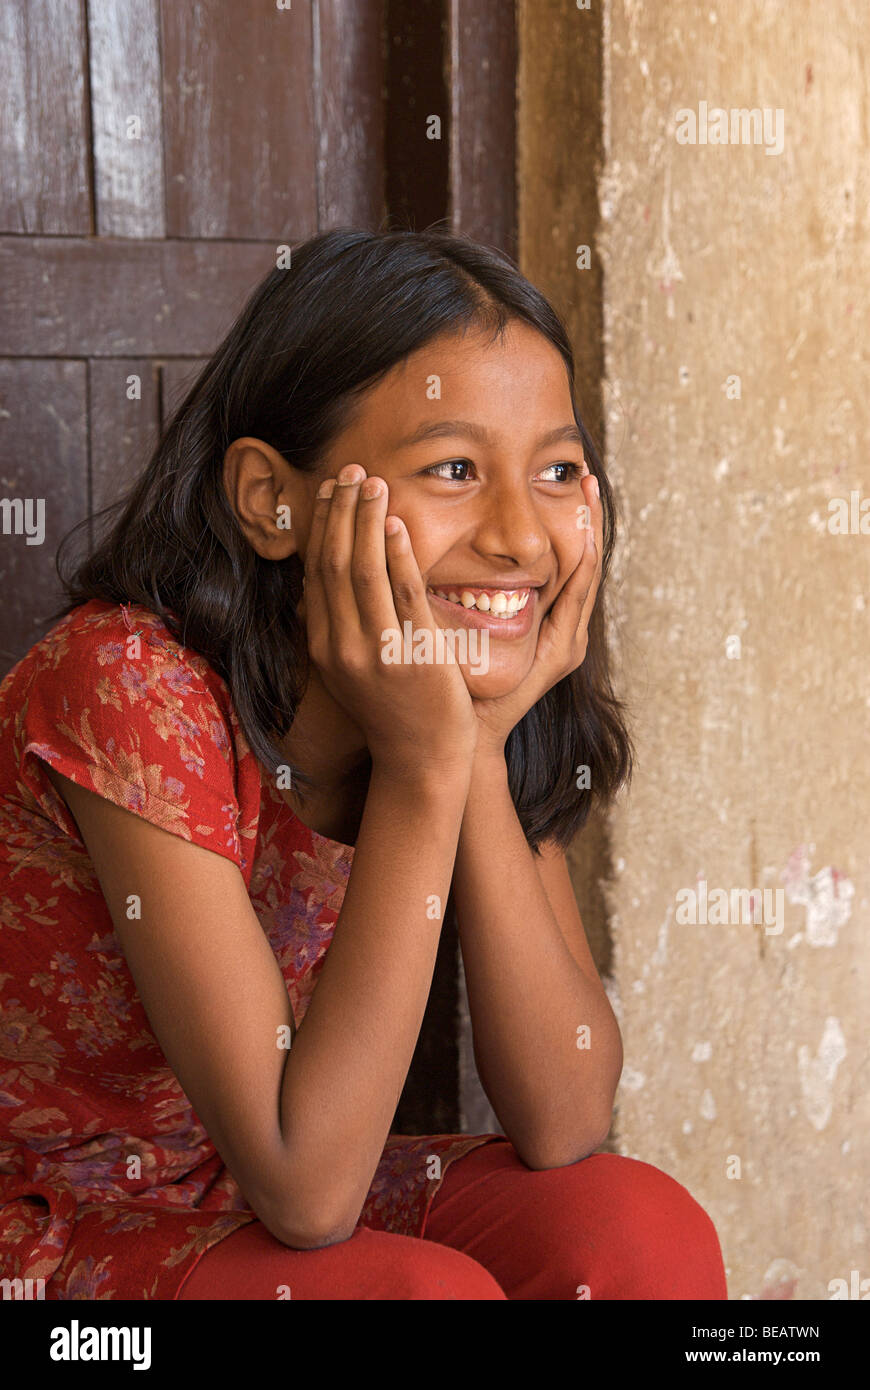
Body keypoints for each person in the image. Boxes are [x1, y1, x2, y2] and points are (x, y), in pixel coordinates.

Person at [0, 227, 727, 1300]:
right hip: (57, 1229)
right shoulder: (127, 684)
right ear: (272, 502)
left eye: (559, 470)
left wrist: (472, 750)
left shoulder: (461, 691)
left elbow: (567, 1114)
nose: (523, 536)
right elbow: (306, 1186)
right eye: (453, 469)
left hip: (244, 1196)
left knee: (632, 1229)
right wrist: (432, 763)